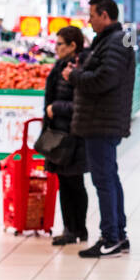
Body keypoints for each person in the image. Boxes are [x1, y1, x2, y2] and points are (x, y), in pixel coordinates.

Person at [70, 0, 135, 258]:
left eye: (92, 15)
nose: (89, 20)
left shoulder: (116, 41)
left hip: (102, 121)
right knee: (109, 177)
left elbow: (105, 78)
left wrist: (74, 75)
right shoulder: (113, 40)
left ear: (105, 15)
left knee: (104, 180)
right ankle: (118, 234)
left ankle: (111, 238)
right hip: (103, 120)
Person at [44, 26, 88, 246]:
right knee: (66, 181)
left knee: (73, 182)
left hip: (72, 134)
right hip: (60, 133)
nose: (56, 48)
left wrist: (56, 108)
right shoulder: (61, 65)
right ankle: (73, 227)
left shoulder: (76, 68)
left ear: (72, 46)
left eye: (60, 44)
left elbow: (82, 103)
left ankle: (75, 228)